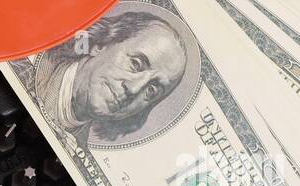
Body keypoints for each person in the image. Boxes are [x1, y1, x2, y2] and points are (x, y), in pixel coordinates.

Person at [35, 10, 189, 145]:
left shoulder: (75, 150)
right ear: (101, 44)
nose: (134, 89)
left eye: (152, 90)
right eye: (135, 64)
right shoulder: (33, 65)